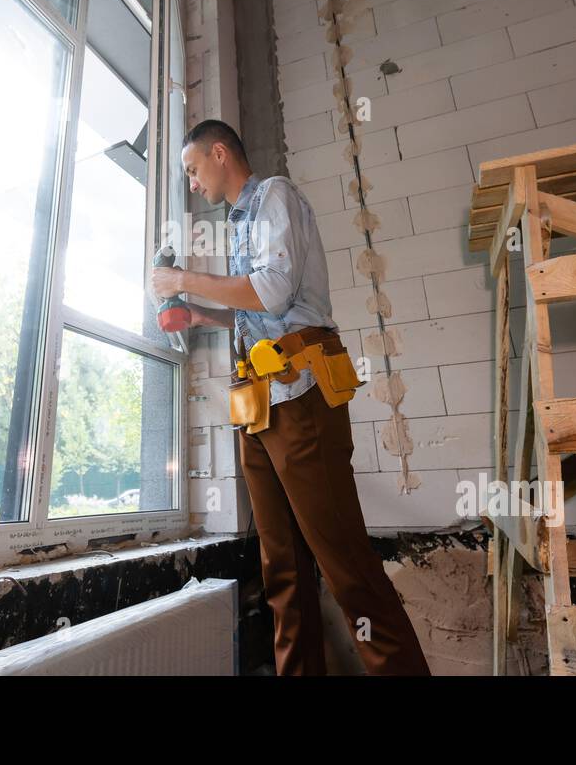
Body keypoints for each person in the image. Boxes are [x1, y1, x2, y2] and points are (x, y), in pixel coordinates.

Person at [151, 118, 430, 676]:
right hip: (257, 405)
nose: (191, 182)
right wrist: (205, 313)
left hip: (300, 396)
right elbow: (258, 303)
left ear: (221, 153)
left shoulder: (273, 195)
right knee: (282, 567)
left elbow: (274, 292)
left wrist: (184, 280)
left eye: (192, 168)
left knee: (342, 559)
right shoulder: (239, 223)